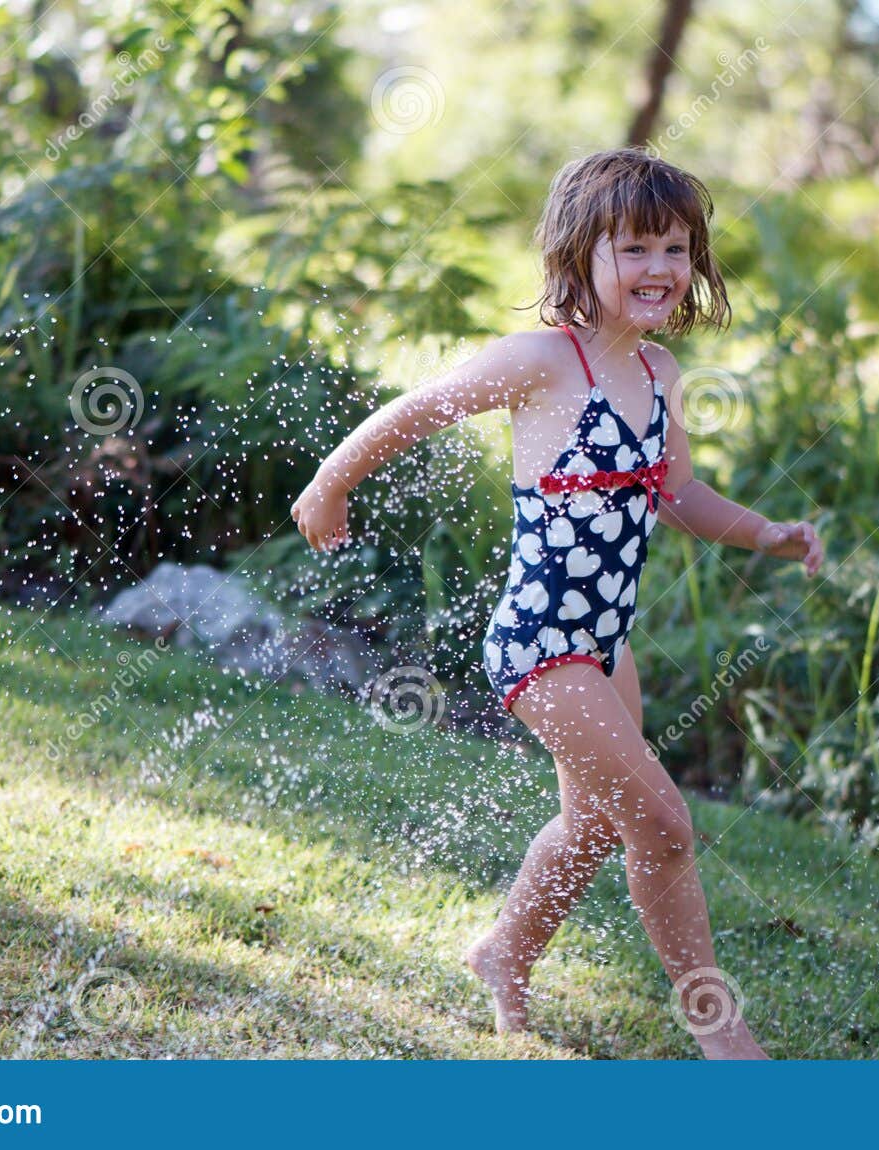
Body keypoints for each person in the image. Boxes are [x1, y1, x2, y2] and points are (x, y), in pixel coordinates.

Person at [291, 147, 823, 1059]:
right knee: (661, 823)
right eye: (634, 249)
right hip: (543, 643)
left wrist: (767, 532)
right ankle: (721, 1030)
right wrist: (328, 488)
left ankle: (504, 952)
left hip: (606, 644)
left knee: (587, 831)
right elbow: (416, 411)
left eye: (676, 248)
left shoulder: (659, 375)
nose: (659, 268)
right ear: (581, 256)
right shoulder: (543, 359)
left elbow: (680, 496)